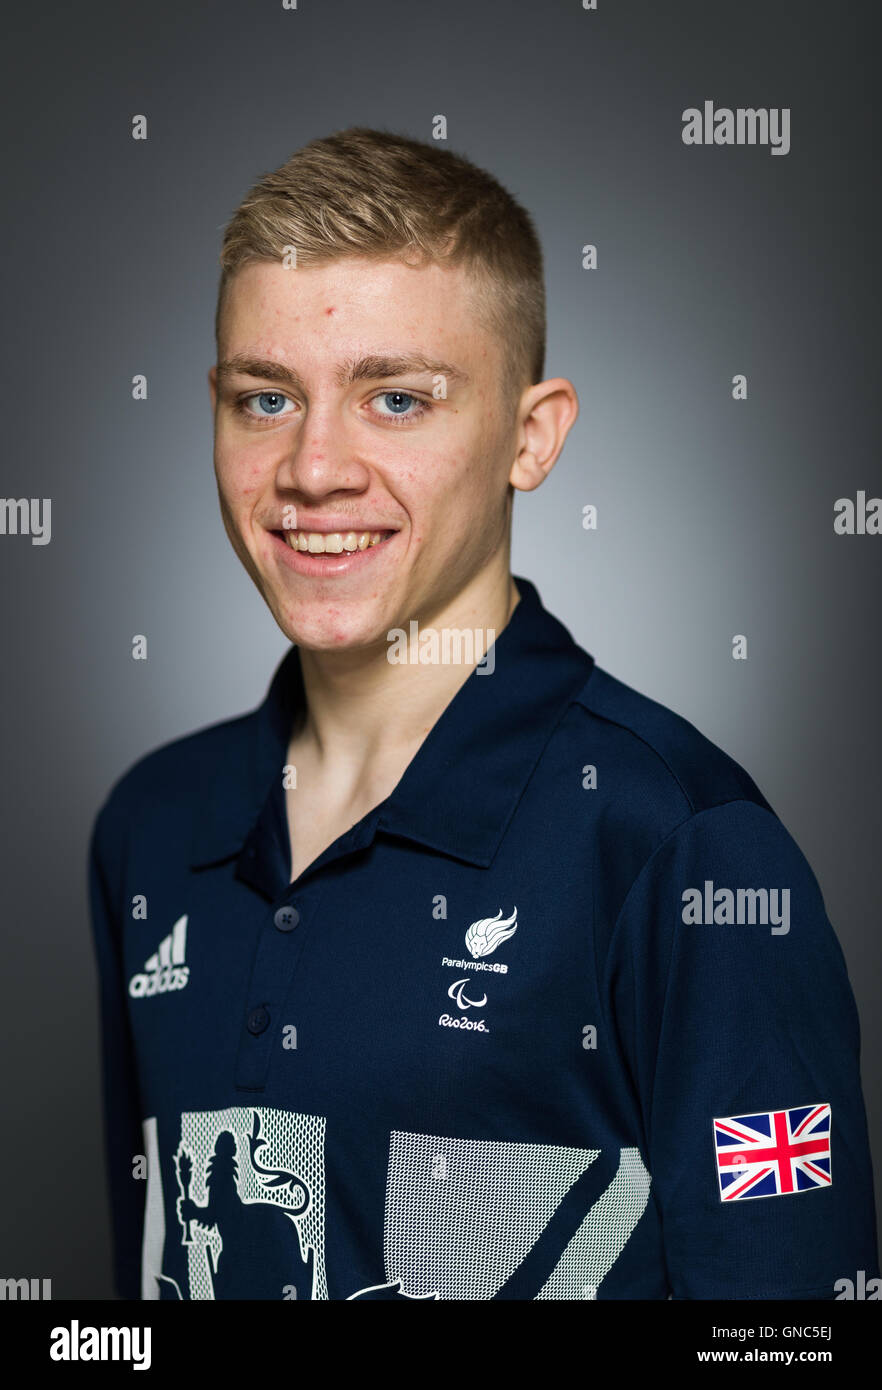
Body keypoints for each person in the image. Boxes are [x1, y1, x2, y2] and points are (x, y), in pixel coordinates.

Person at [89, 126, 878, 1301]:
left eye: (396, 398)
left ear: (530, 434)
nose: (313, 469)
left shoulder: (682, 844)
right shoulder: (149, 825)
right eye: (265, 398)